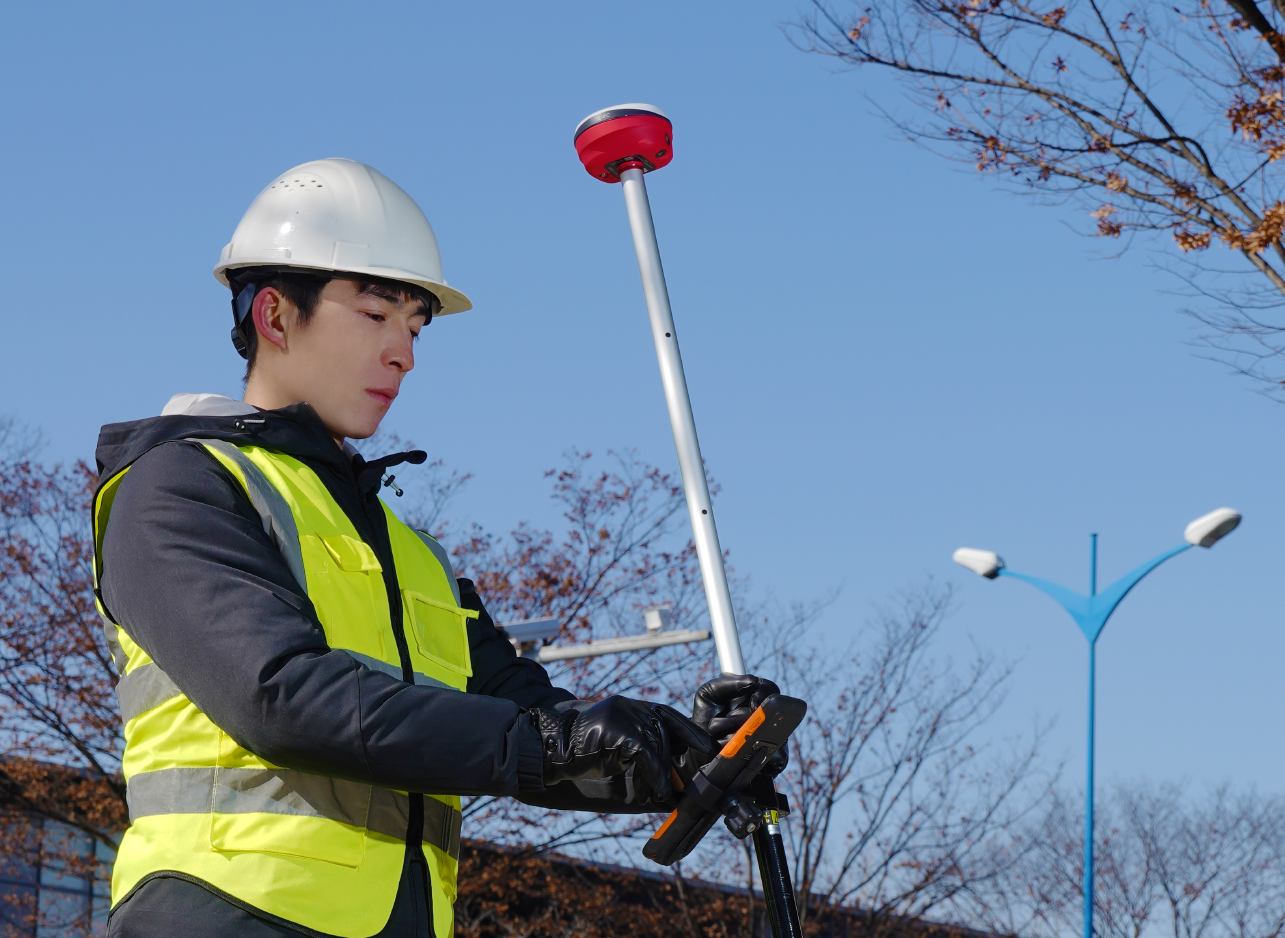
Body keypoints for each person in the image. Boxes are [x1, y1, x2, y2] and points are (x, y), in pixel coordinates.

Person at [93, 158, 783, 938]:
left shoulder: (409, 552)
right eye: (375, 315)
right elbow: (279, 697)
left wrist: (681, 752)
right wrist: (544, 744)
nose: (404, 354)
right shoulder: (179, 486)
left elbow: (530, 715)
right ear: (276, 318)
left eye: (414, 328)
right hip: (219, 916)